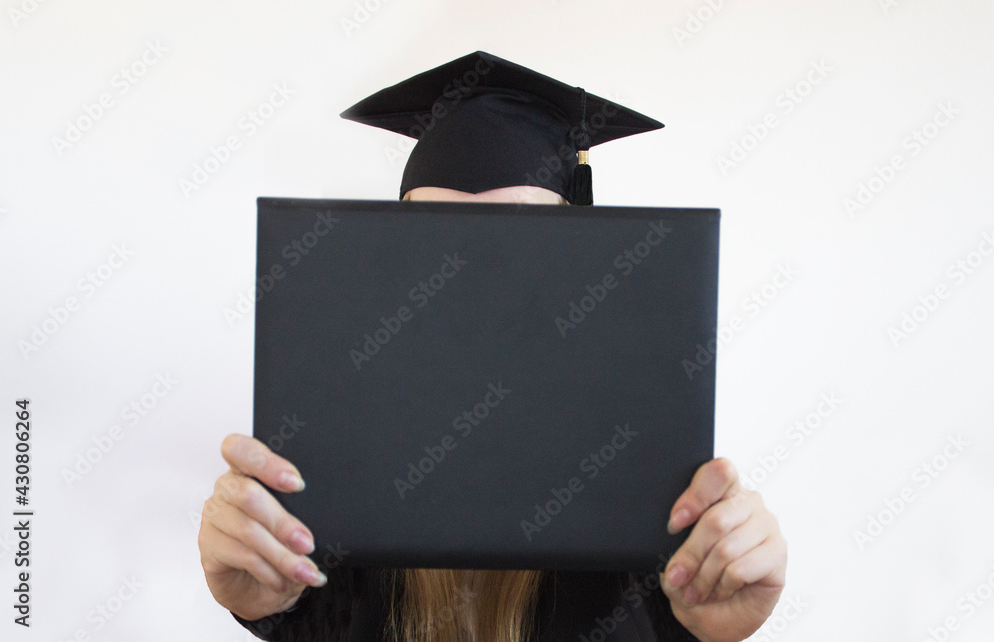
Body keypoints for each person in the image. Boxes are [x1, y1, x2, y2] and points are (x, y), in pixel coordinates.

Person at [198, 51, 787, 642]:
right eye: (435, 232)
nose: (470, 271)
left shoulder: (634, 467)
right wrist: (273, 603)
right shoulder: (345, 447)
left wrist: (705, 628)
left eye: (519, 232)